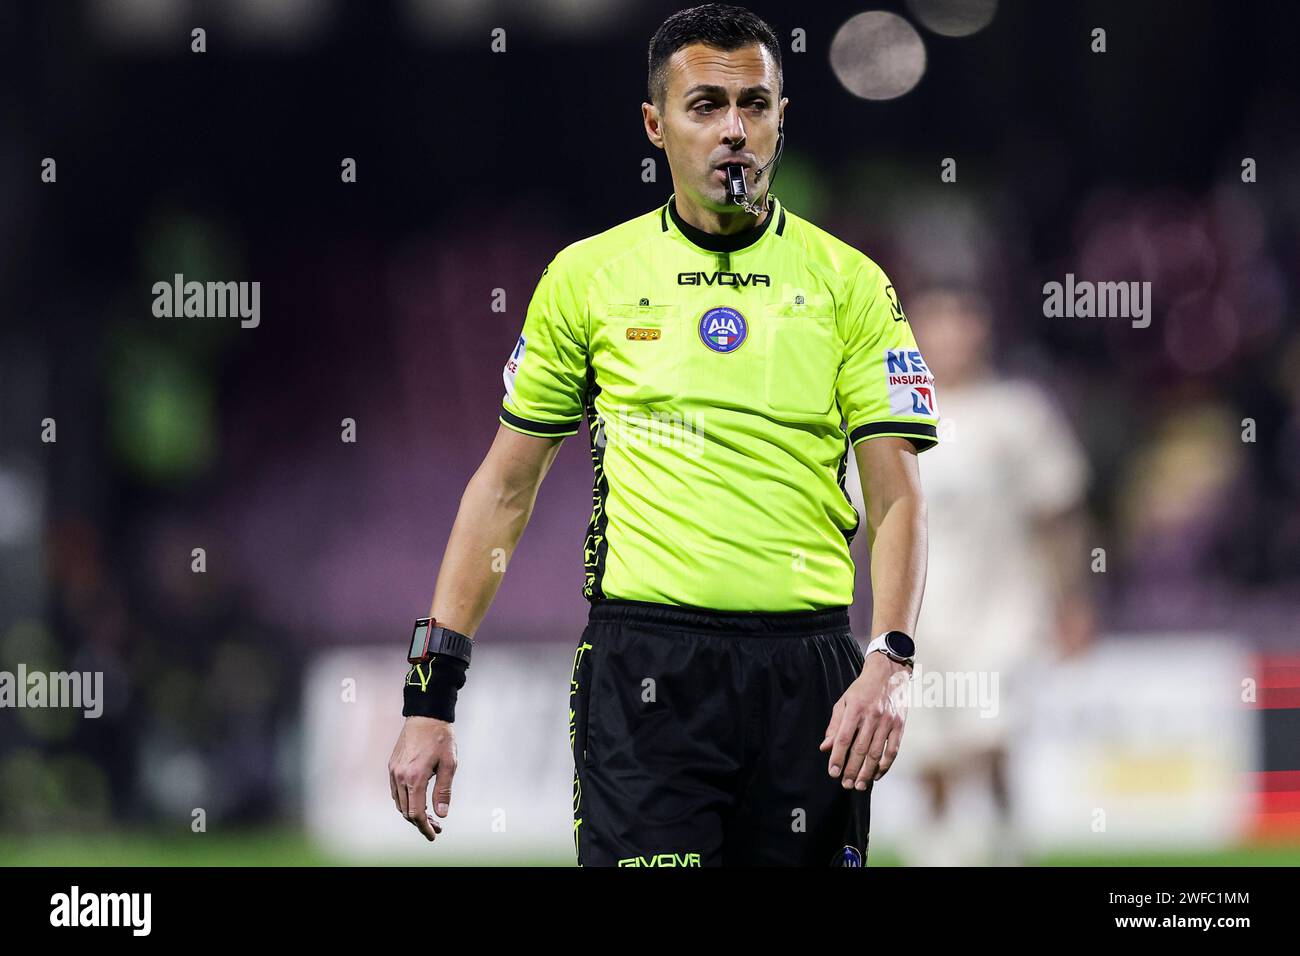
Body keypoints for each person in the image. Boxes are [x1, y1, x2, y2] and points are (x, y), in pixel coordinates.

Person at [388, 3, 941, 866]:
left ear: (782, 117)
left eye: (755, 105)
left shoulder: (851, 285)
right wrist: (431, 697)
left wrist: (893, 656)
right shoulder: (588, 278)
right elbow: (503, 489)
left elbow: (897, 493)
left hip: (811, 679)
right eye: (706, 106)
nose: (734, 130)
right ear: (656, 124)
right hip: (647, 675)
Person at [900, 286, 1093, 866]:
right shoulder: (890, 413)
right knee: (929, 754)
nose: (952, 335)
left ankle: (994, 847)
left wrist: (1074, 599)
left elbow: (1057, 512)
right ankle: (942, 849)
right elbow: (865, 524)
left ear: (981, 330)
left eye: (962, 321)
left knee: (989, 736)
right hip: (918, 620)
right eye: (937, 322)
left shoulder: (1018, 412)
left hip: (1006, 610)